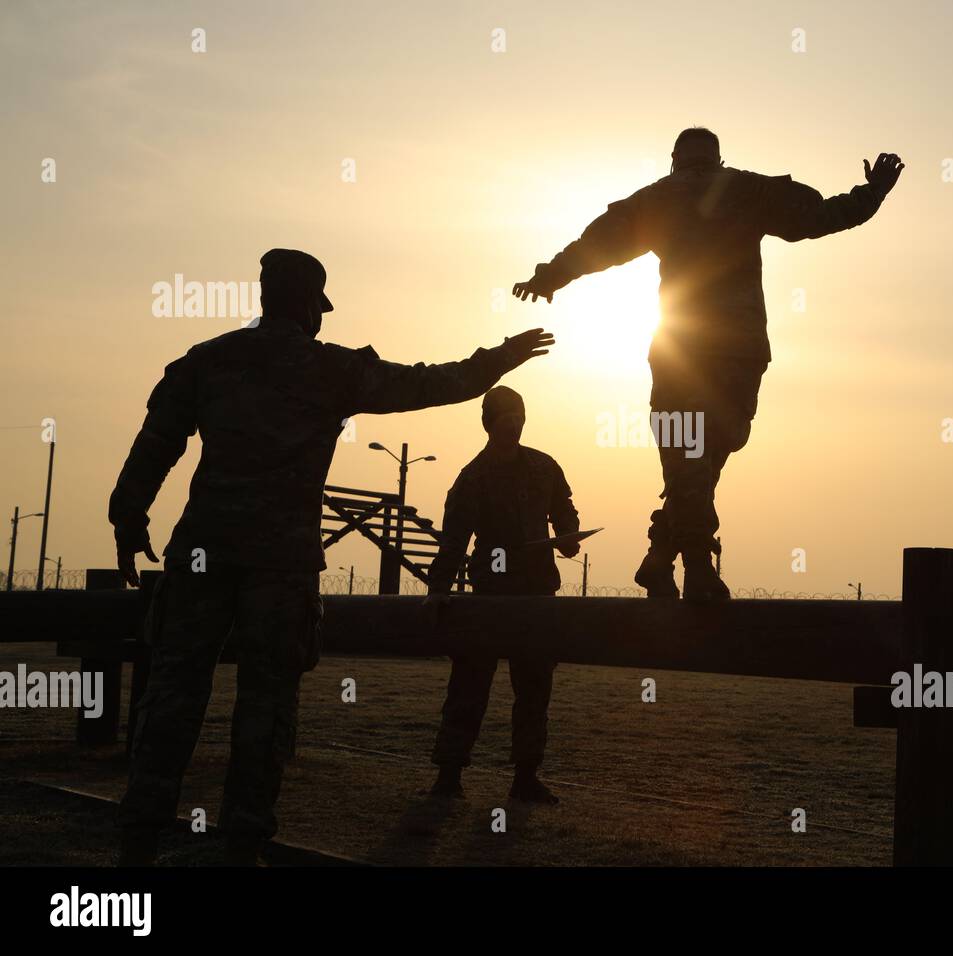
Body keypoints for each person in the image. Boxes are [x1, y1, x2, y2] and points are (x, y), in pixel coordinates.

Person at [108, 248, 554, 864]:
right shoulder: (330, 371)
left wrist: (128, 519)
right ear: (308, 306)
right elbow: (430, 382)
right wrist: (499, 360)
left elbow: (155, 444)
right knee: (266, 704)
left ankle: (138, 841)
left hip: (202, 554)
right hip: (281, 564)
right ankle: (242, 844)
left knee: (173, 694)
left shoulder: (208, 362)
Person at [512, 128, 904, 601]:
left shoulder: (656, 200)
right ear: (718, 159)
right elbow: (818, 217)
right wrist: (872, 193)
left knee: (687, 464)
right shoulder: (746, 190)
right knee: (701, 460)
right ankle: (694, 567)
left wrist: (550, 275)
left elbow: (599, 243)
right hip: (734, 352)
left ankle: (661, 557)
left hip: (679, 351)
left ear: (675, 160)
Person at [425, 386, 580, 804]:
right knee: (469, 686)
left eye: (520, 415)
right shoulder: (473, 477)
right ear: (490, 423)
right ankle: (449, 775)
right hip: (489, 597)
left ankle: (526, 777)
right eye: (507, 416)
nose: (515, 423)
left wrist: (568, 536)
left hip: (537, 595)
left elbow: (564, 511)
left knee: (534, 690)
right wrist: (439, 589)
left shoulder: (545, 467)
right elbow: (453, 541)